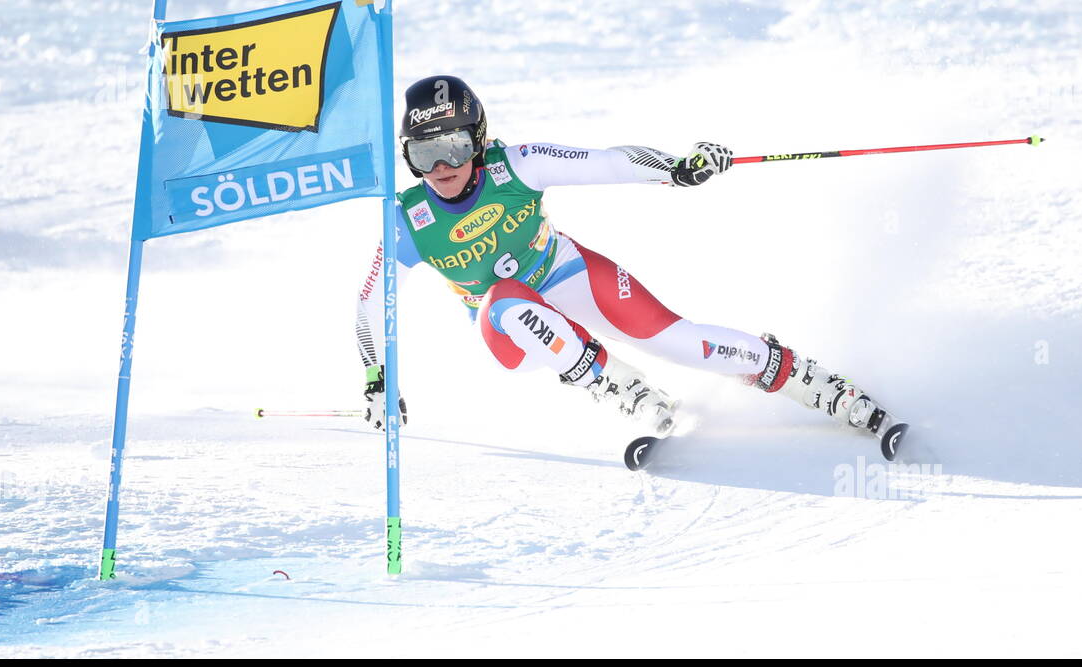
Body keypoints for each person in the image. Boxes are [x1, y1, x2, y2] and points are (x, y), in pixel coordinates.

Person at [356, 75, 905, 463]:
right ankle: (617, 386)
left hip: (567, 274)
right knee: (504, 295)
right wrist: (377, 379)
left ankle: (816, 384)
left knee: (685, 343)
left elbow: (608, 162)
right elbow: (369, 302)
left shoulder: (516, 165)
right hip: (508, 328)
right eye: (424, 155)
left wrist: (677, 170)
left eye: (452, 147)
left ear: (477, 141)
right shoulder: (409, 219)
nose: (442, 168)